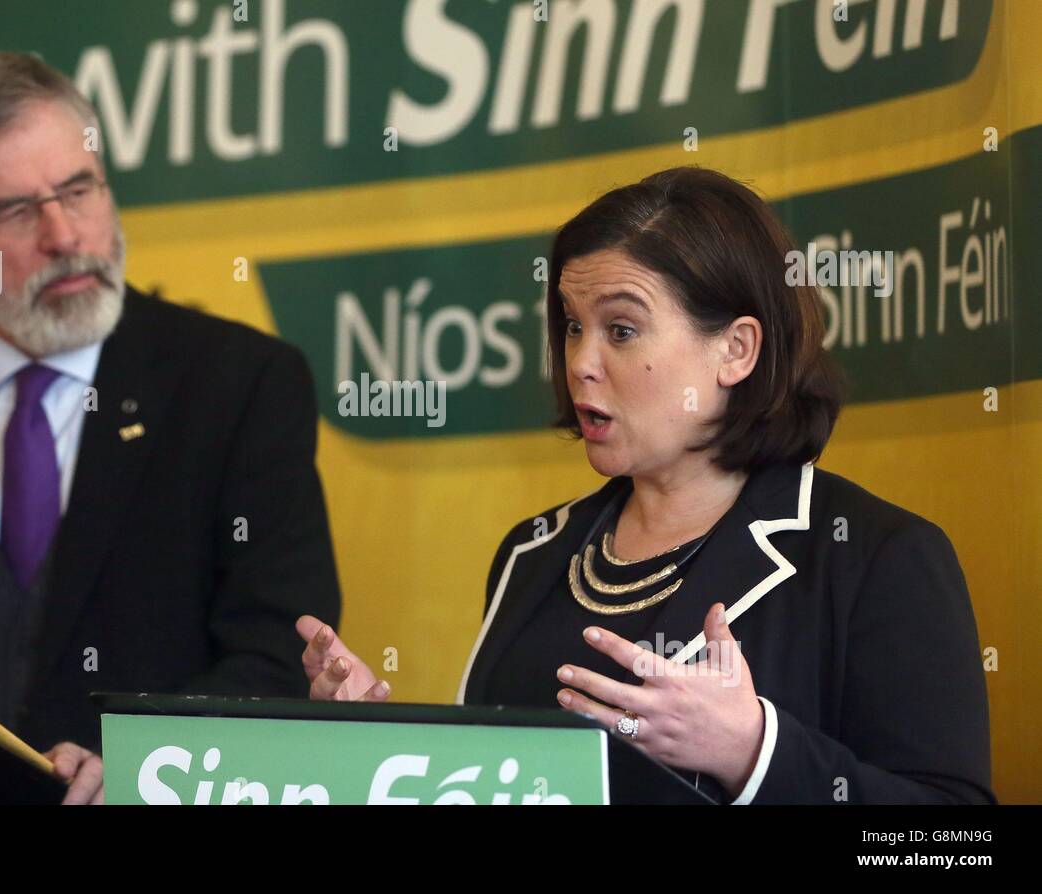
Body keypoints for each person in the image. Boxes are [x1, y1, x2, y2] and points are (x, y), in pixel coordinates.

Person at [297, 166, 994, 805]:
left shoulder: (876, 558)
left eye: (622, 330)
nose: (580, 363)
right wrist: (373, 745)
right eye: (573, 327)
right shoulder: (534, 555)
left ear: (737, 350)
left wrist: (755, 753)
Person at [0, 52, 341, 804]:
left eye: (78, 189)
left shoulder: (242, 384)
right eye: (16, 210)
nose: (64, 234)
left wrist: (140, 756)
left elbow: (280, 649)